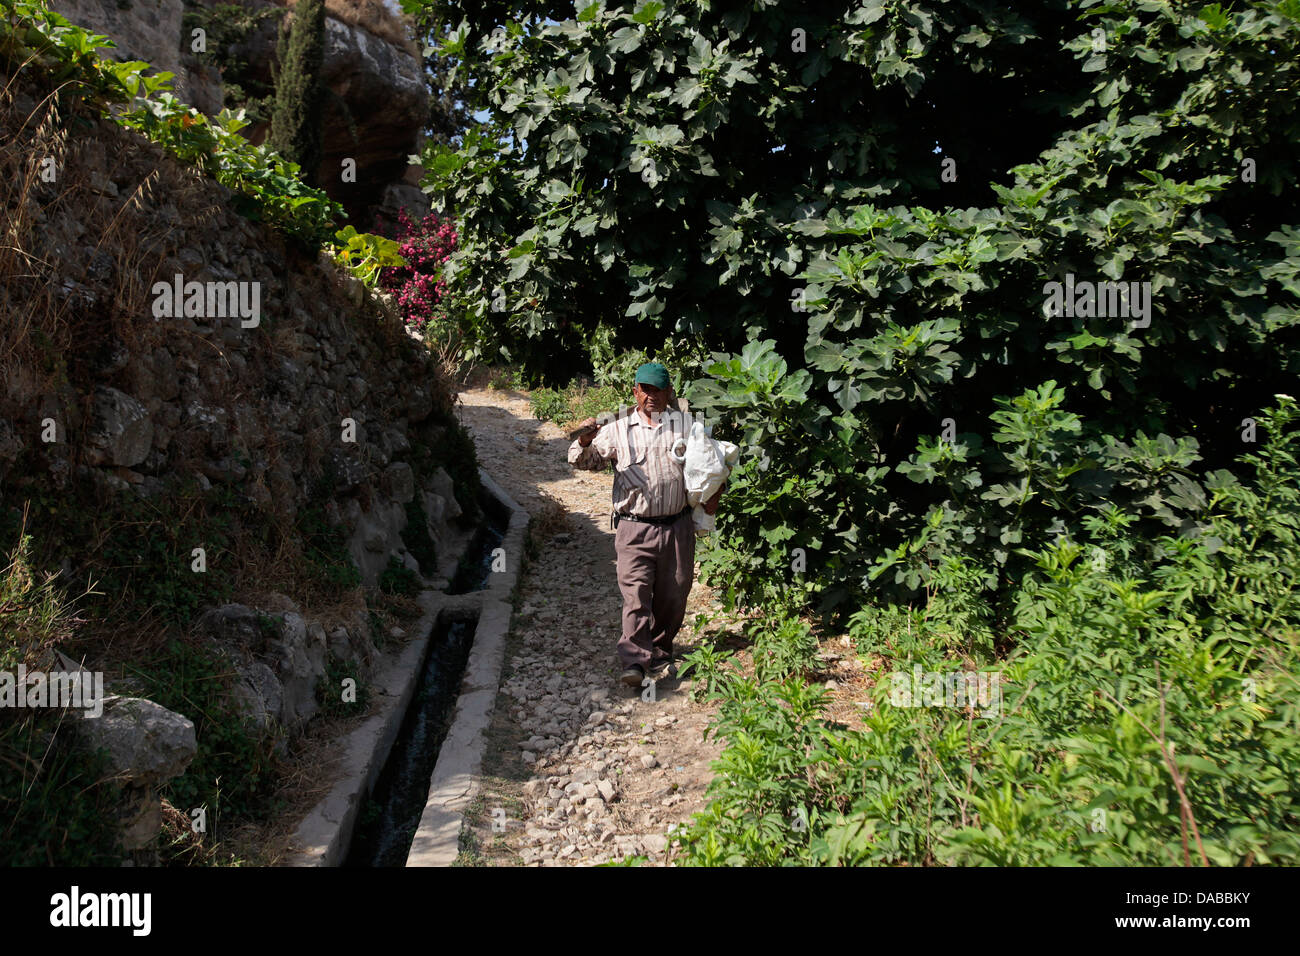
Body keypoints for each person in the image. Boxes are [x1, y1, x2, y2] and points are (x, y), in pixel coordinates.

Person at [568, 362, 724, 688]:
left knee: (674, 595)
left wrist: (713, 497)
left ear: (669, 393)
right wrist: (584, 440)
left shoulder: (686, 427)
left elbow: (713, 466)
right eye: (646, 389)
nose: (651, 396)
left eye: (658, 390)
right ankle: (635, 662)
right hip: (633, 528)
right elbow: (582, 462)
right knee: (636, 597)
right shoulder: (616, 429)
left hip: (678, 528)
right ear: (635, 391)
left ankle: (661, 650)